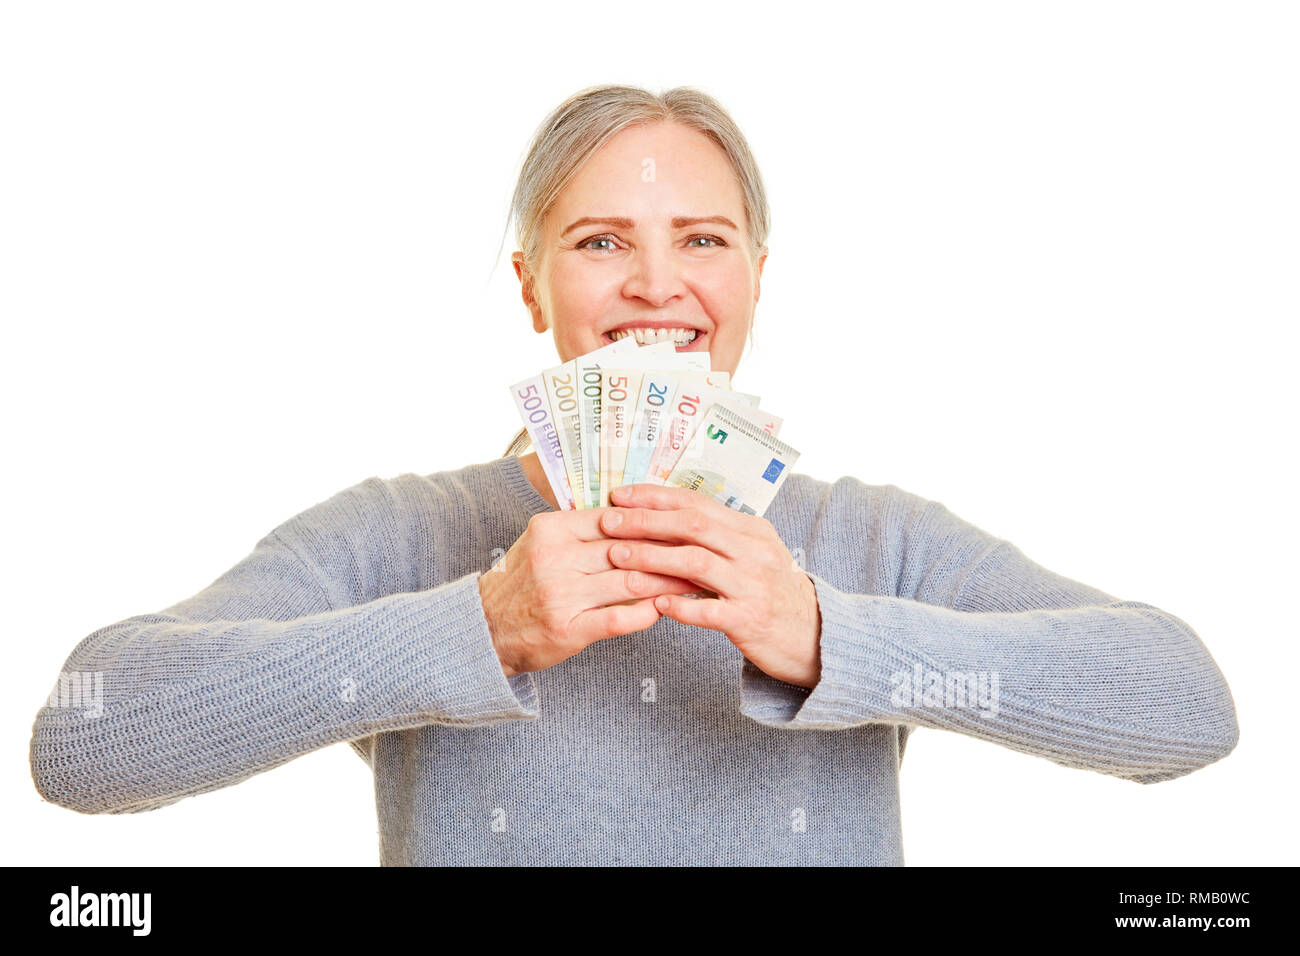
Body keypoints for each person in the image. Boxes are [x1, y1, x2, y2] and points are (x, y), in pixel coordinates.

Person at [29, 84, 1239, 866]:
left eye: (702, 241)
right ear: (529, 284)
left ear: (756, 275)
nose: (657, 287)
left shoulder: (868, 537)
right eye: (601, 241)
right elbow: (88, 739)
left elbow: (1184, 709)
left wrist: (829, 635)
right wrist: (477, 626)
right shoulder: (410, 530)